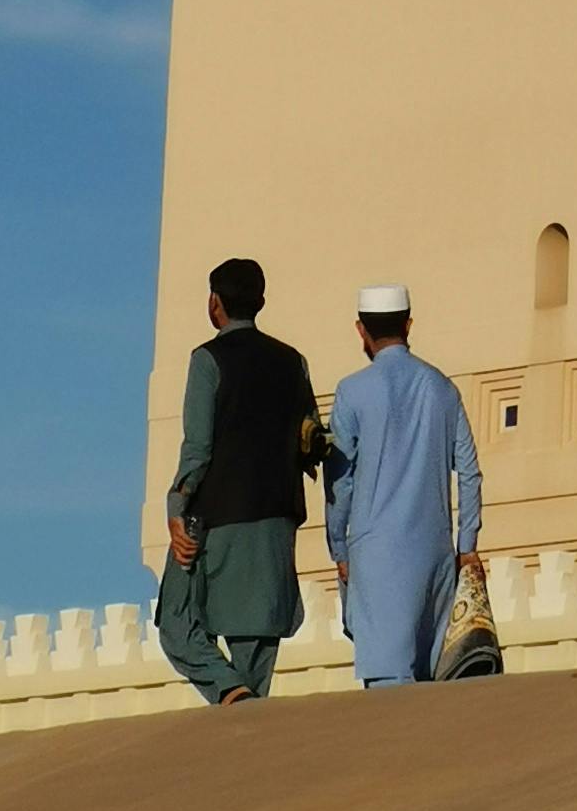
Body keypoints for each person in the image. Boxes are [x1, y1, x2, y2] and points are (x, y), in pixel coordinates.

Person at [158, 255, 323, 706]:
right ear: (260, 302)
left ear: (216, 302)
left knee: (176, 620)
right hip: (276, 518)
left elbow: (197, 448)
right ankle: (242, 710)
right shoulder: (293, 362)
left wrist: (176, 508)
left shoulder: (208, 360)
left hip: (217, 515)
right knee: (256, 643)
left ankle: (230, 693)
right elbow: (311, 437)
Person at [323, 282, 482, 687]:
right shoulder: (442, 388)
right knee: (431, 686)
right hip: (436, 554)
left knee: (388, 688)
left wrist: (339, 547)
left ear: (361, 330)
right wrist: (466, 547)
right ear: (408, 325)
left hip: (376, 555)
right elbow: (468, 472)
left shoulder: (352, 390)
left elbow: (340, 480)